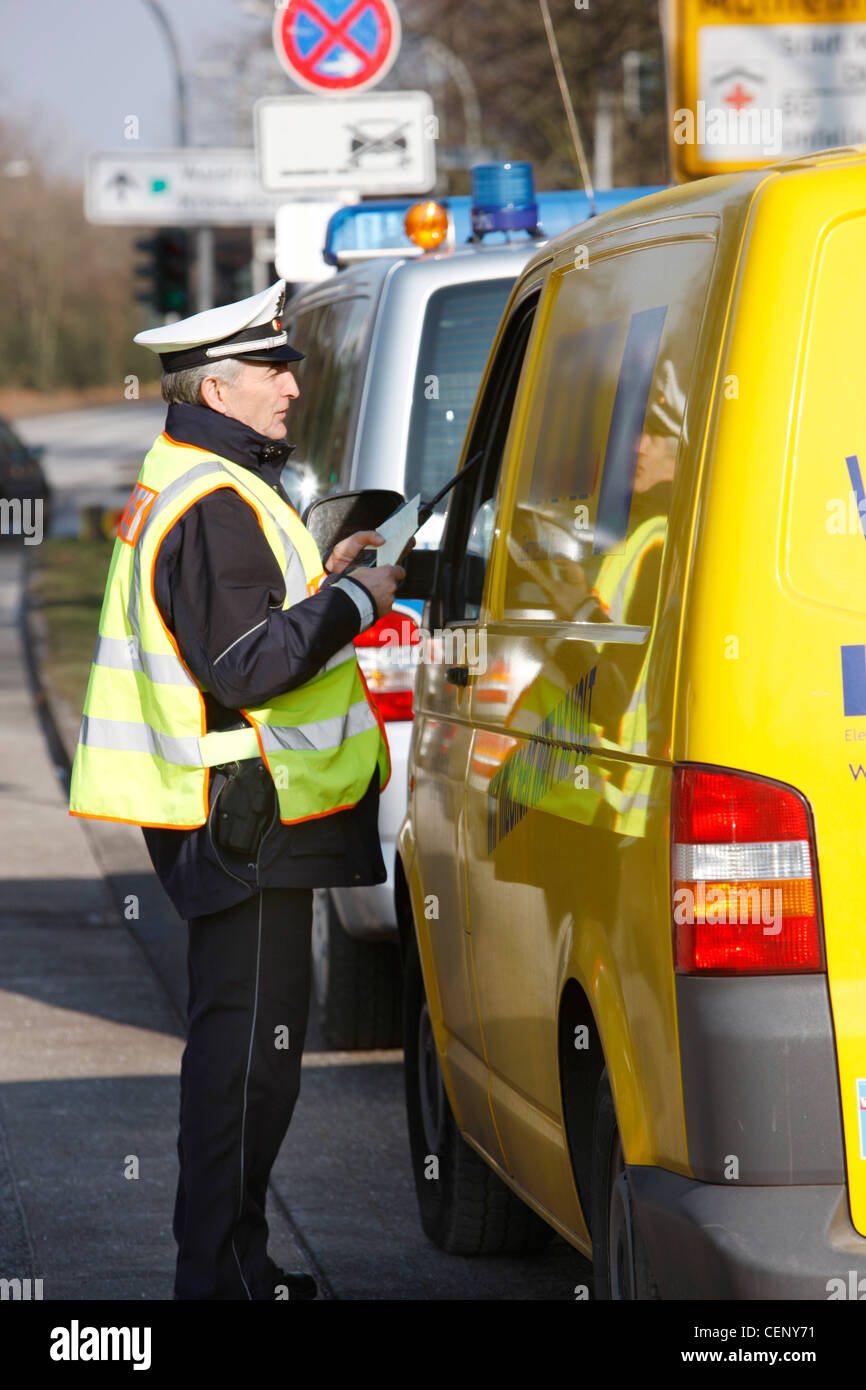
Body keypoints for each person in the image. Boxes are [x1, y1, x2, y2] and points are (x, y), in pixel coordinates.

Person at [68, 280, 407, 1300]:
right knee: (245, 1065)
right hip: (243, 823)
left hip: (228, 817)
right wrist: (354, 598)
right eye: (273, 371)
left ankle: (232, 1269)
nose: (290, 389)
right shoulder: (215, 499)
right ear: (217, 386)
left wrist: (322, 577)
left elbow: (235, 633)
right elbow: (250, 664)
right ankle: (218, 1282)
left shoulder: (197, 477)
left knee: (247, 1053)